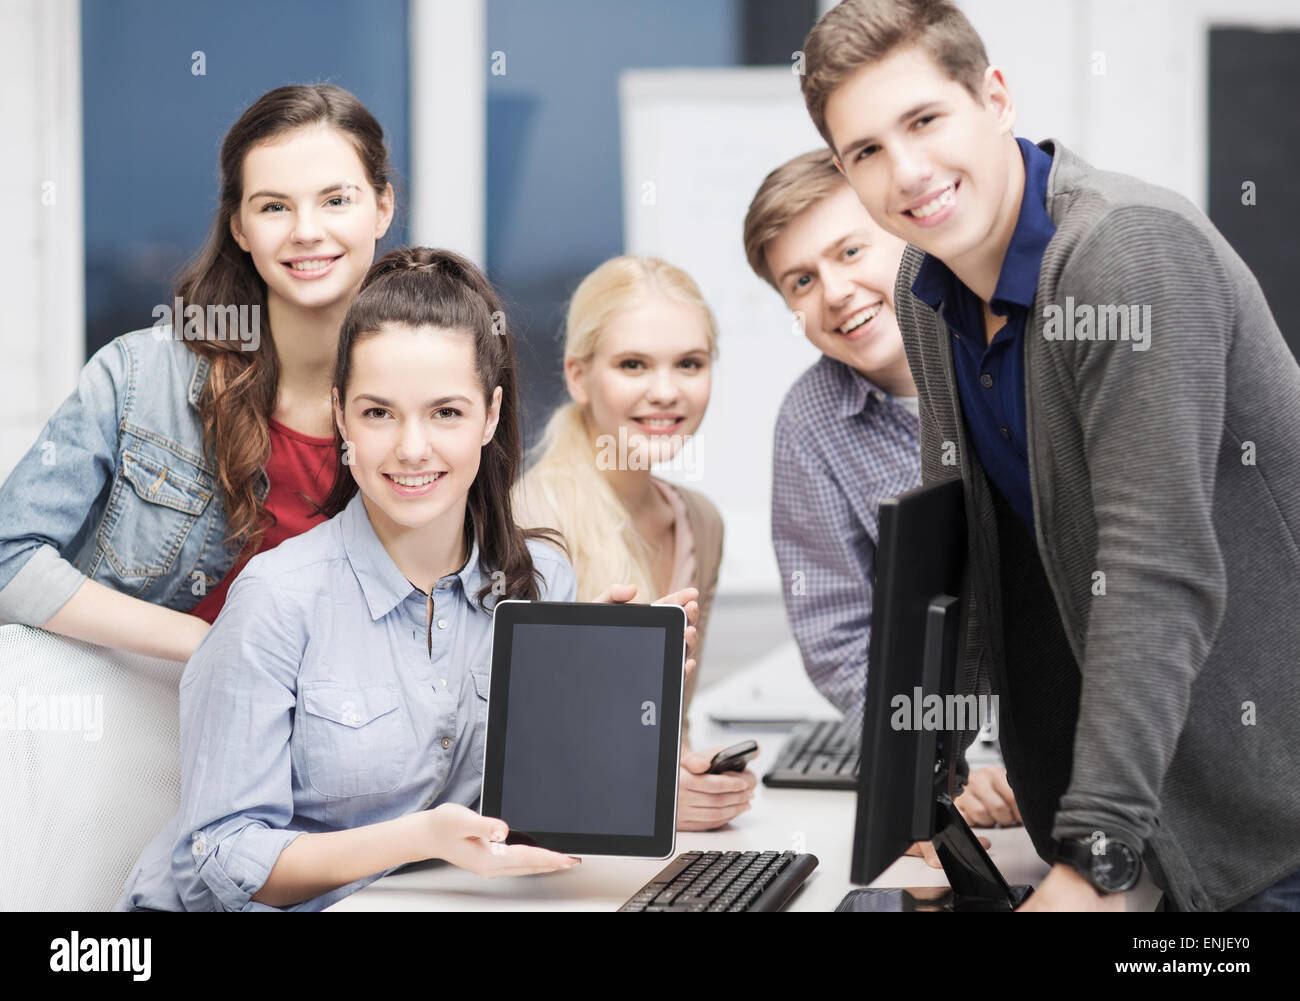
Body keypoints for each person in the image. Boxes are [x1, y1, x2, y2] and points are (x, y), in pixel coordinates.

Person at [801, 0, 1300, 911]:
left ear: (994, 97)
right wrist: (926, 776)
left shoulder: (1126, 254)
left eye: (923, 120)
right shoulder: (926, 285)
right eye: (866, 151)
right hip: (1135, 811)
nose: (906, 172)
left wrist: (1097, 853)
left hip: (1265, 819)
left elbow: (1157, 569)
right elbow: (959, 553)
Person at [116, 248, 700, 911]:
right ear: (340, 416)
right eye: (378, 412)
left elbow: (534, 822)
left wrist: (605, 703)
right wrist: (419, 837)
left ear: (489, 415)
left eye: (446, 412)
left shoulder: (540, 581)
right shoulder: (277, 599)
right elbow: (221, 859)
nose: (412, 447)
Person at [0, 84, 396, 662]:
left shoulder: (423, 403)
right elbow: (10, 560)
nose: (306, 230)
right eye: (274, 206)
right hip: (143, 728)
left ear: (382, 207)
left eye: (336, 200)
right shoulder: (138, 377)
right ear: (239, 227)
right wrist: (217, 646)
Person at [743, 149, 1020, 859]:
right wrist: (938, 767)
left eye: (850, 250)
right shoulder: (809, 424)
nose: (834, 291)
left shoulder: (1012, 347)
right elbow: (841, 636)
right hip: (965, 770)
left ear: (904, 233)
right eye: (800, 280)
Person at [514, 255, 751, 833]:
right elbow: (513, 748)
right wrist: (643, 791)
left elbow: (672, 721)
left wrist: (690, 774)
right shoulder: (527, 521)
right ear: (578, 376)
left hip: (651, 849)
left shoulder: (702, 523)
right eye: (633, 365)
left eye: (689, 364)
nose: (665, 392)